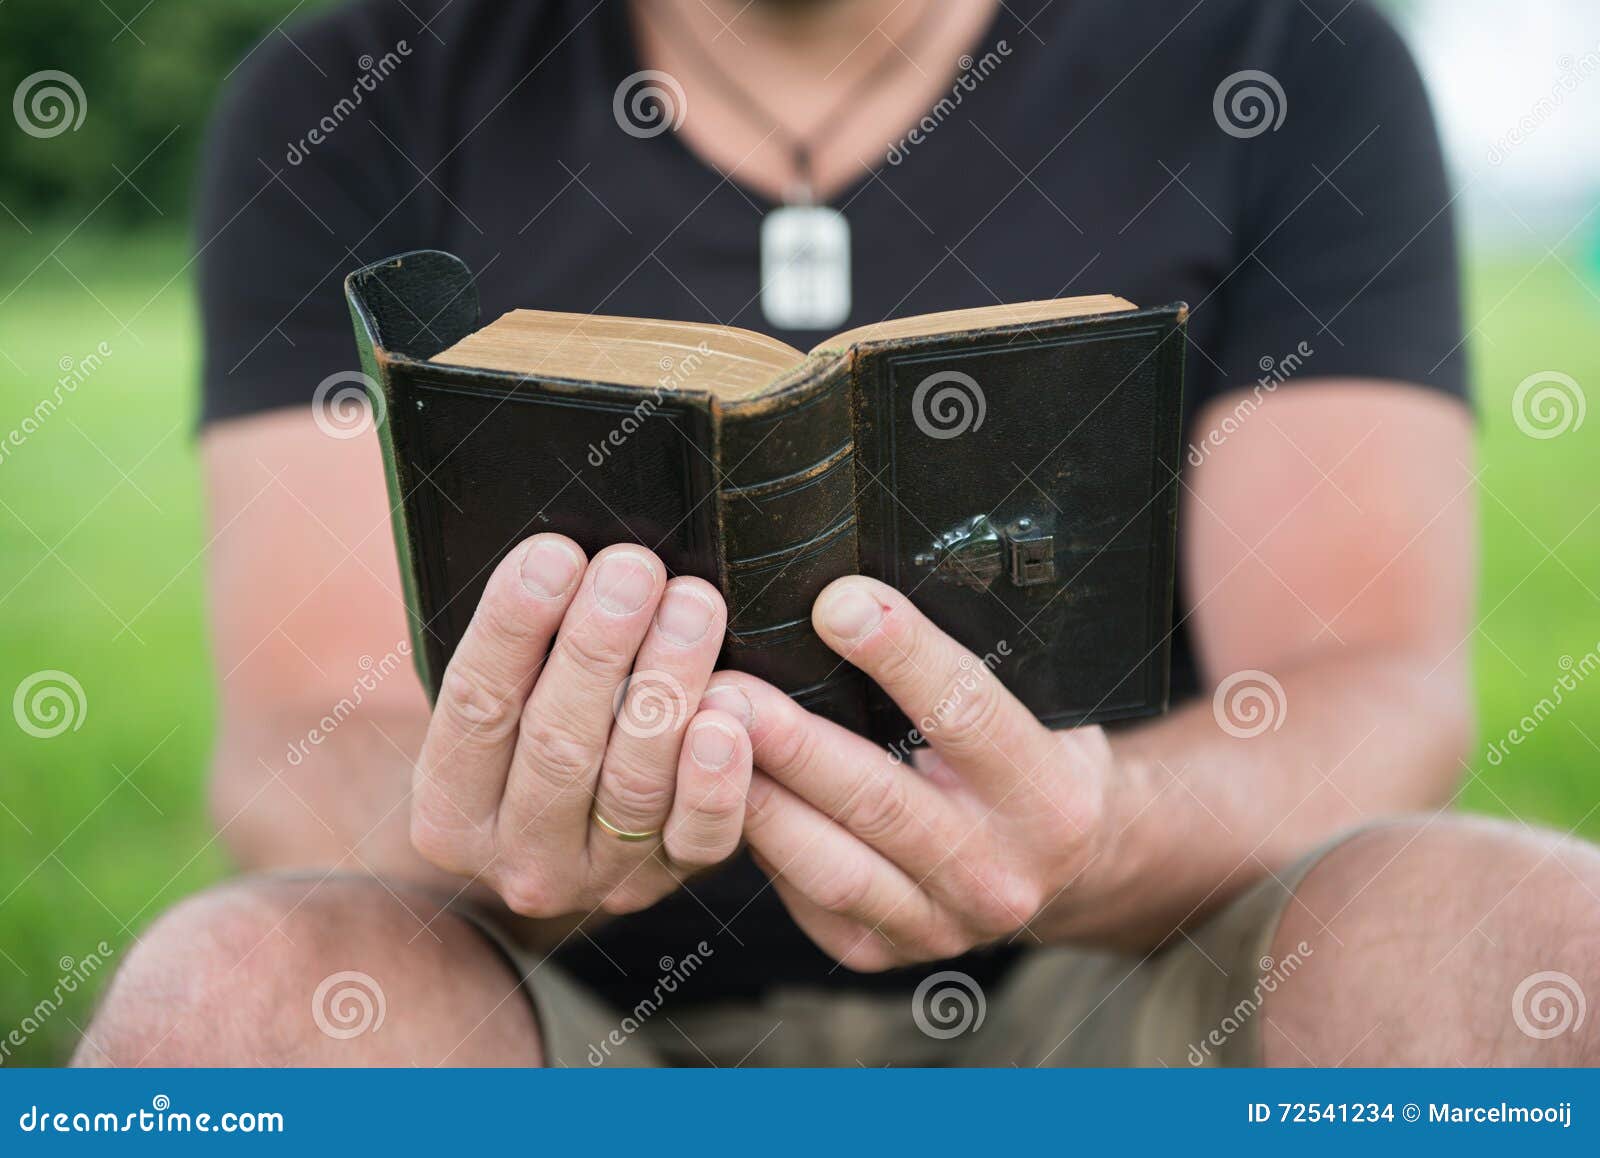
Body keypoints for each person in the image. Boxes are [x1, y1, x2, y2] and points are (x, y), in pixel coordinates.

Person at [78, 0, 1599, 1067]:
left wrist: (1096, 830)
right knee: (232, 999)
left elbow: (1370, 686)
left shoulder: (1288, 61)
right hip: (552, 1016)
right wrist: (488, 809)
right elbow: (296, 734)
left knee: (1534, 943)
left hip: (1131, 989)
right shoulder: (353, 89)